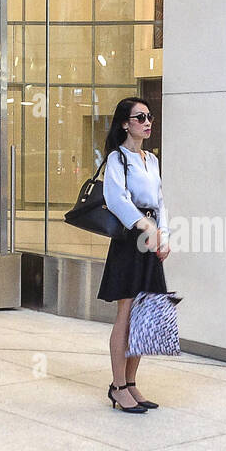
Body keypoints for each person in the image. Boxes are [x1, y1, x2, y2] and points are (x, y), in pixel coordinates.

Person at [98, 97, 169, 413]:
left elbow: (160, 201)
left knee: (145, 316)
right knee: (126, 313)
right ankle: (117, 386)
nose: (147, 121)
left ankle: (132, 382)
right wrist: (146, 228)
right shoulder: (118, 158)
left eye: (149, 116)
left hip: (149, 239)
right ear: (125, 123)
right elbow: (116, 200)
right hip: (131, 240)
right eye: (140, 117)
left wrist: (162, 235)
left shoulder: (151, 161)